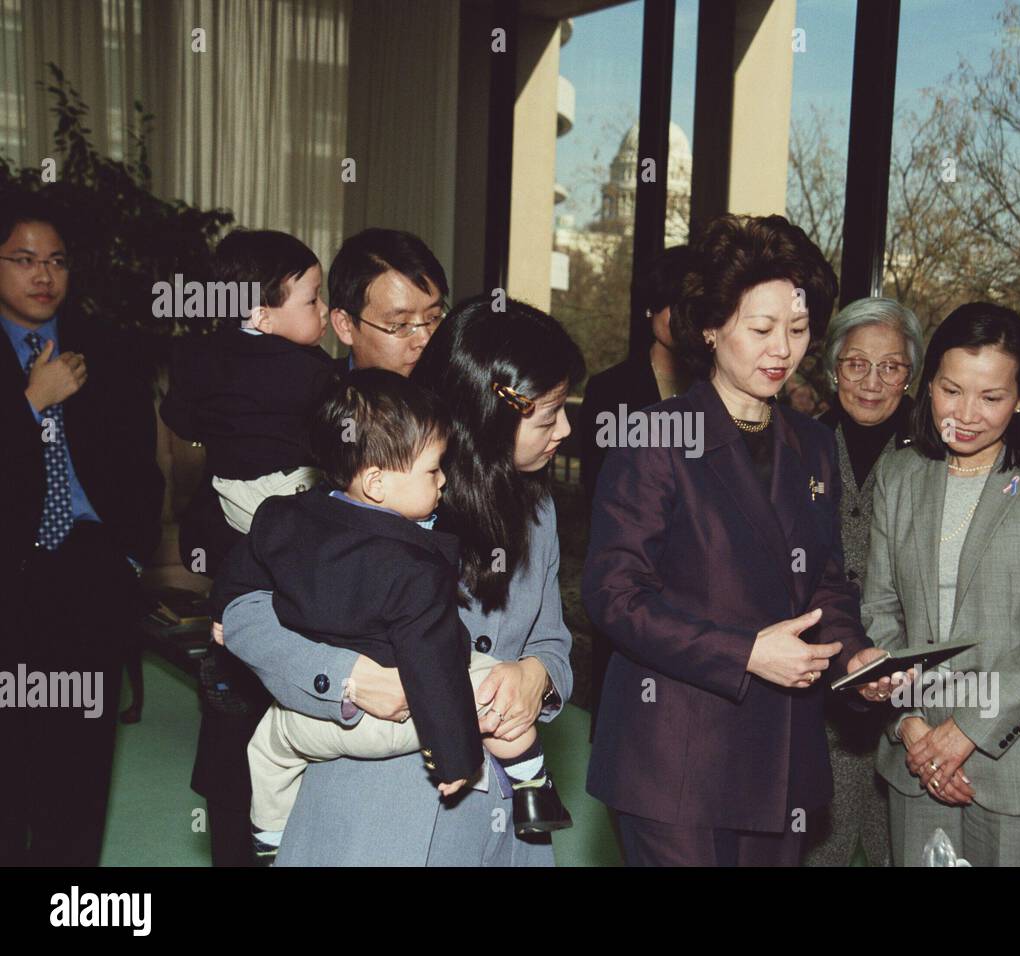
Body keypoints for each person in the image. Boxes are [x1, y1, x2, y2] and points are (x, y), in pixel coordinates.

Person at [220, 294, 579, 866]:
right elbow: (245, 614)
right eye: (548, 412)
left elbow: (550, 639)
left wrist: (536, 678)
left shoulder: (537, 510)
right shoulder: (369, 489)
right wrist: (348, 679)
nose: (564, 428)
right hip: (370, 815)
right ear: (491, 410)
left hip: (498, 824)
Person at [583, 214, 896, 866]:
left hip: (780, 761)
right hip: (675, 762)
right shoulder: (655, 436)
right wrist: (744, 651)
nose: (782, 349)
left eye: (799, 329)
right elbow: (613, 595)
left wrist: (857, 658)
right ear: (709, 328)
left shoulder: (812, 445)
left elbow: (825, 583)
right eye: (760, 329)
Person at [181, 227, 451, 867]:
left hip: (410, 709)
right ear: (344, 324)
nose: (421, 340)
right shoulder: (295, 400)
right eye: (399, 323)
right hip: (270, 675)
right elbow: (217, 520)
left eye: (433, 320)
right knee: (247, 821)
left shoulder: (450, 415)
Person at [863, 302, 1020, 867]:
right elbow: (879, 612)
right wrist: (913, 726)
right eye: (951, 390)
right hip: (917, 760)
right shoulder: (898, 477)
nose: (966, 414)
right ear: (928, 386)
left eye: (992, 397)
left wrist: (967, 730)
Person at [0, 192, 163, 865]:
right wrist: (31, 402)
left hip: (91, 569)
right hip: (12, 572)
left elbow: (141, 470)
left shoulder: (107, 349)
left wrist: (128, 561)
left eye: (58, 261)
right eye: (24, 259)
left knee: (83, 756)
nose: (44, 275)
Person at [804, 297, 922, 867]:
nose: (872, 382)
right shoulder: (795, 445)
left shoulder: (940, 452)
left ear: (911, 375)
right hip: (817, 686)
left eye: (891, 366)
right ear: (832, 369)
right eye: (856, 364)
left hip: (913, 702)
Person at [579, 244, 694, 738]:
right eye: (677, 305)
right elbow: (600, 492)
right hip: (632, 591)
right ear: (652, 311)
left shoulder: (723, 391)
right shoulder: (612, 391)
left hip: (699, 604)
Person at [161, 229, 334, 536]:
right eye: (312, 299)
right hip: (292, 490)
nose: (324, 310)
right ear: (263, 318)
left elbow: (177, 417)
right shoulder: (310, 368)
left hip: (227, 496)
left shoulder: (197, 355)